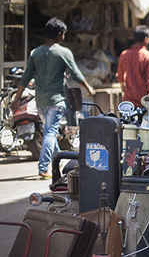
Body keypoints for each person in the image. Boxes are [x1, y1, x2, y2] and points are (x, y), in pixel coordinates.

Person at [14, 17, 94, 178]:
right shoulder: (63, 52)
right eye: (63, 33)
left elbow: (25, 77)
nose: (64, 36)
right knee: (50, 132)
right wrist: (88, 87)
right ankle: (43, 168)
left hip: (41, 101)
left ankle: (59, 162)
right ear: (59, 34)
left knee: (50, 131)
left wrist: (17, 98)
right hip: (56, 100)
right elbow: (76, 73)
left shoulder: (35, 53)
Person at [116, 26, 149, 104]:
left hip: (128, 101)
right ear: (146, 39)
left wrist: (125, 89)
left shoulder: (124, 54)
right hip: (143, 101)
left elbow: (120, 76)